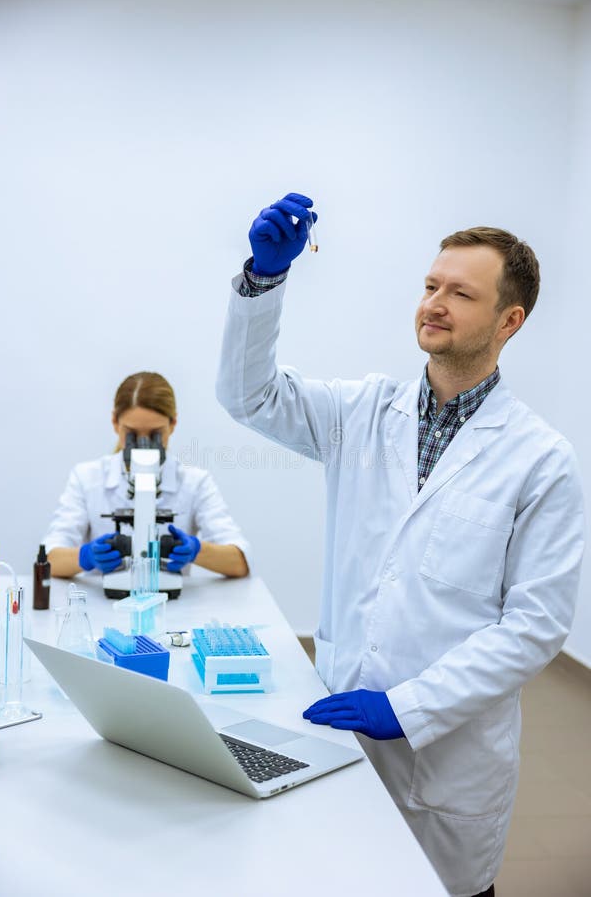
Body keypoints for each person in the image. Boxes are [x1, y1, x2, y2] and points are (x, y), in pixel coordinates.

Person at [216, 193, 585, 897]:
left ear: (510, 321)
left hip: (446, 760)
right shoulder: (361, 411)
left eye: (461, 293)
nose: (435, 303)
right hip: (339, 717)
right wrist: (263, 282)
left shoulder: (541, 459)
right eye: (430, 286)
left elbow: (535, 626)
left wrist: (409, 707)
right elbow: (249, 397)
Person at [45, 371, 250, 580]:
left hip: (174, 607)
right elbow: (49, 560)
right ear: (115, 422)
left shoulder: (195, 482)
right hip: (101, 605)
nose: (143, 447)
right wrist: (86, 556)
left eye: (155, 435)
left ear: (173, 424)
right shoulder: (87, 477)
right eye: (132, 434)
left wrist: (196, 550)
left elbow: (240, 563)